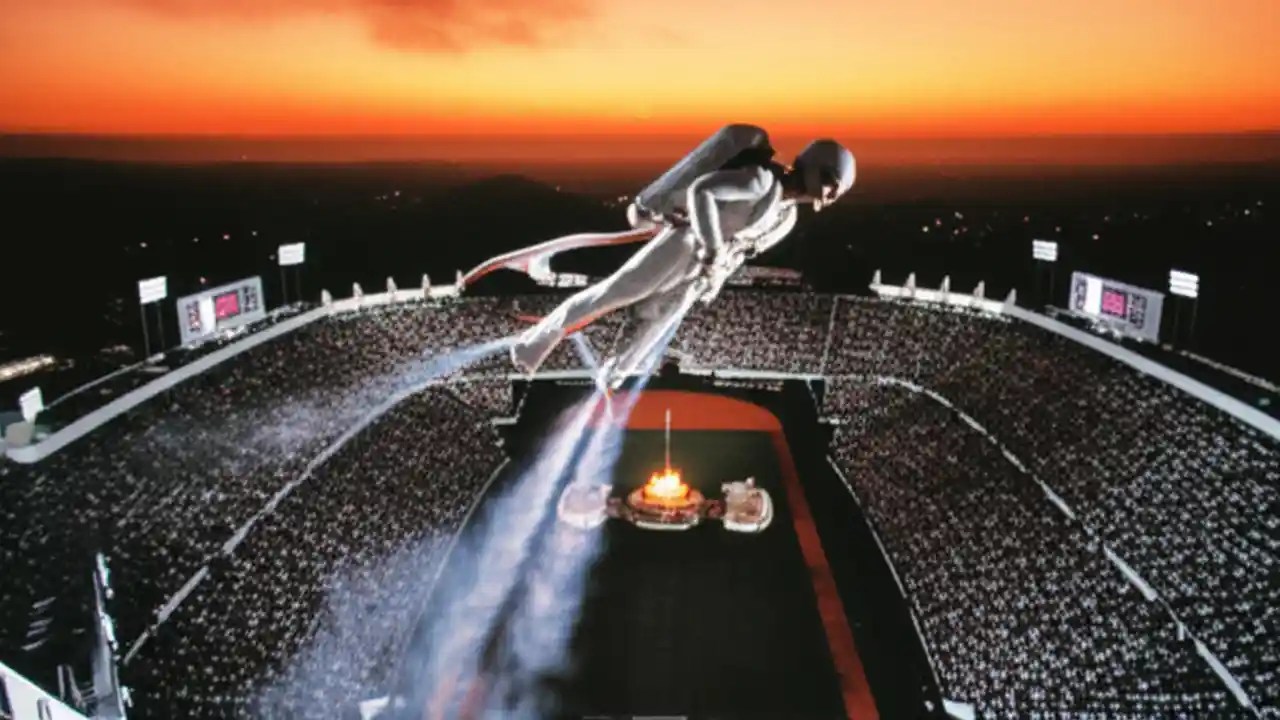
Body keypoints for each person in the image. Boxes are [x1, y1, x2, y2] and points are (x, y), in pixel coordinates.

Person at [462, 124, 856, 387]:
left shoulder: (785, 216)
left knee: (658, 318)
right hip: (687, 243)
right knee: (614, 294)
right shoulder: (761, 180)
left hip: (705, 265)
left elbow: (743, 249)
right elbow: (702, 191)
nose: (827, 194)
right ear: (816, 170)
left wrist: (715, 275)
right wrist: (712, 247)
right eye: (830, 183)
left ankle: (614, 374)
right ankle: (531, 345)